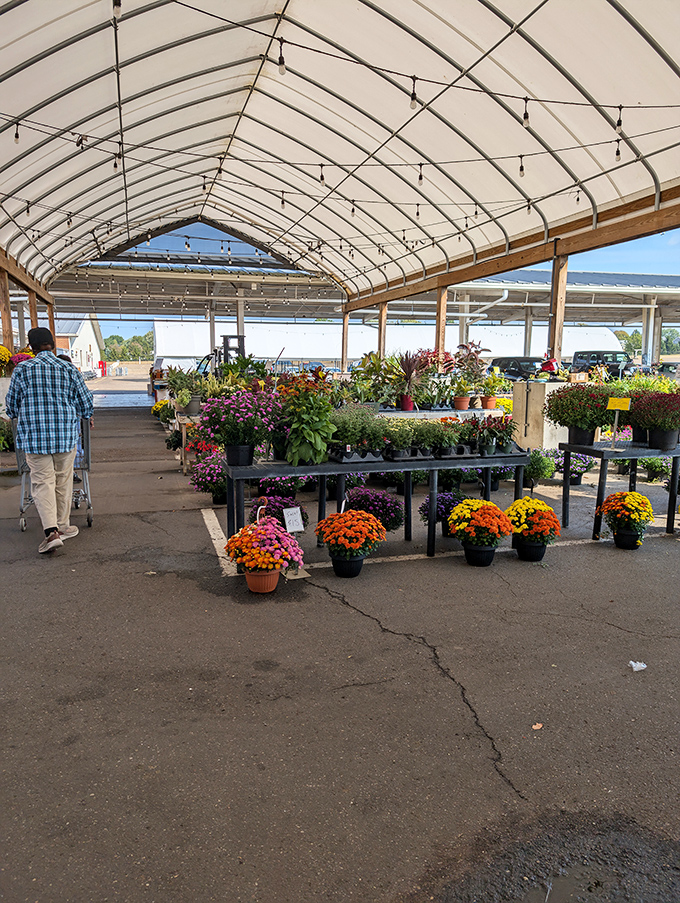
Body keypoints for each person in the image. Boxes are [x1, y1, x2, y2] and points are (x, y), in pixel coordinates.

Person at [5, 327, 94, 554]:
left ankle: (51, 532)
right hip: (65, 437)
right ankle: (63, 526)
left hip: (34, 439)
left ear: (31, 347)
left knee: (42, 482)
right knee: (63, 481)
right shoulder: (68, 368)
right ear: (53, 344)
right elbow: (86, 403)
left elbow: (12, 406)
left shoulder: (22, 369)